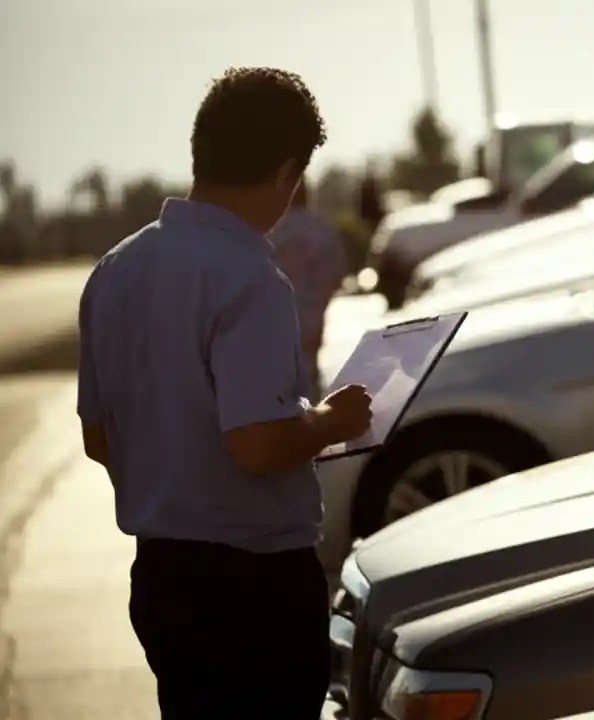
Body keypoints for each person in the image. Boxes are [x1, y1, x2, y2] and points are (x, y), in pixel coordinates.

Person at [75, 67, 372, 718]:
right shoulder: (250, 279)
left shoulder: (116, 270)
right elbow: (258, 444)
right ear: (286, 172)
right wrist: (330, 420)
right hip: (254, 588)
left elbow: (99, 438)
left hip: (162, 579)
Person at [269, 177, 346, 399]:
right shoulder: (321, 227)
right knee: (309, 371)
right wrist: (321, 301)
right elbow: (336, 274)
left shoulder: (272, 229)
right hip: (312, 311)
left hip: (277, 315)